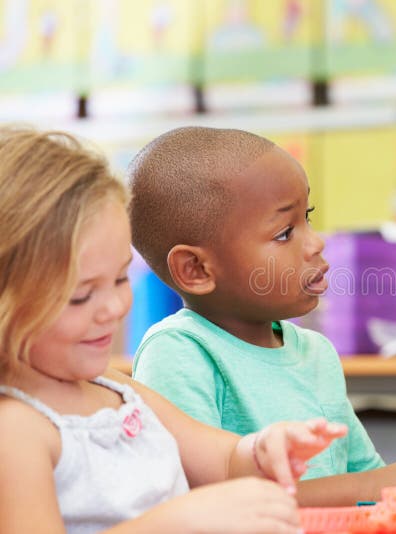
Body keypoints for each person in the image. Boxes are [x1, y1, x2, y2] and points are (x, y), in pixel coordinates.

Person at [0, 126, 349, 533]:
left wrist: (262, 448)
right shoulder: (17, 431)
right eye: (81, 296)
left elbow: (221, 460)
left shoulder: (116, 391)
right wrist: (172, 522)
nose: (113, 308)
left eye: (118, 280)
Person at [127, 126, 396, 507]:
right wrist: (378, 486)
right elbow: (205, 503)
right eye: (285, 232)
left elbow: (367, 487)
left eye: (308, 217)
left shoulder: (315, 352)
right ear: (196, 270)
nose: (317, 242)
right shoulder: (178, 351)